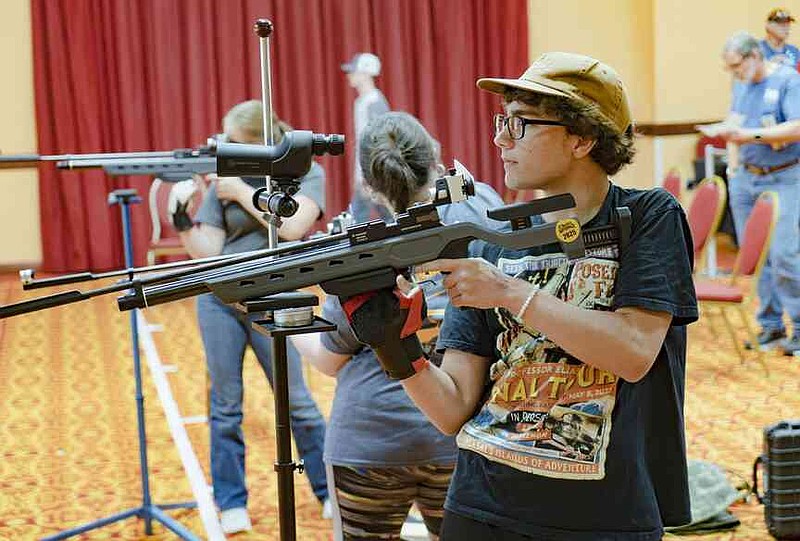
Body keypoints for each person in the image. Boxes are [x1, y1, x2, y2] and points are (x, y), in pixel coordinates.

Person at [343, 52, 699, 540]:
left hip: (607, 513)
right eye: (502, 121)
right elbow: (452, 410)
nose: (501, 139)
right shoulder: (492, 240)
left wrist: (509, 292)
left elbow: (633, 352)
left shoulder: (648, 217)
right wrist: (394, 345)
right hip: (482, 503)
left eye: (521, 124)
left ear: (582, 138)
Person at [290, 111, 507, 540]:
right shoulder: (485, 204)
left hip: (372, 441)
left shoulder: (364, 247)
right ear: (436, 157)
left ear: (369, 186)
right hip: (470, 438)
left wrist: (290, 323)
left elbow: (328, 359)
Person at [170, 100, 329, 533]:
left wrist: (241, 192)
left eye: (235, 141)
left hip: (275, 296)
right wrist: (181, 220)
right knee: (224, 407)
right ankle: (231, 500)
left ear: (261, 142)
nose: (226, 147)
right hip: (220, 301)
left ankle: (327, 489)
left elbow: (293, 228)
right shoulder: (226, 177)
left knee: (297, 402)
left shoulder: (305, 172)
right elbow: (210, 252)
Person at [717, 32, 800, 356]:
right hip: (745, 179)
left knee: (783, 253)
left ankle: (799, 327)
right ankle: (771, 325)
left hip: (783, 177)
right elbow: (734, 124)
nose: (734, 73)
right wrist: (734, 167)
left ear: (754, 56)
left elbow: (796, 127)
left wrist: (749, 135)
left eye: (736, 65)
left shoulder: (787, 81)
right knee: (757, 256)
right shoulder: (740, 85)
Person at [341, 52, 393, 223]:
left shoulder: (374, 102)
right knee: (385, 213)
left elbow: (379, 141)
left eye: (354, 72)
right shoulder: (362, 102)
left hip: (372, 171)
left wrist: (368, 174)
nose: (350, 76)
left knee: (362, 214)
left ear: (365, 73)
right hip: (367, 171)